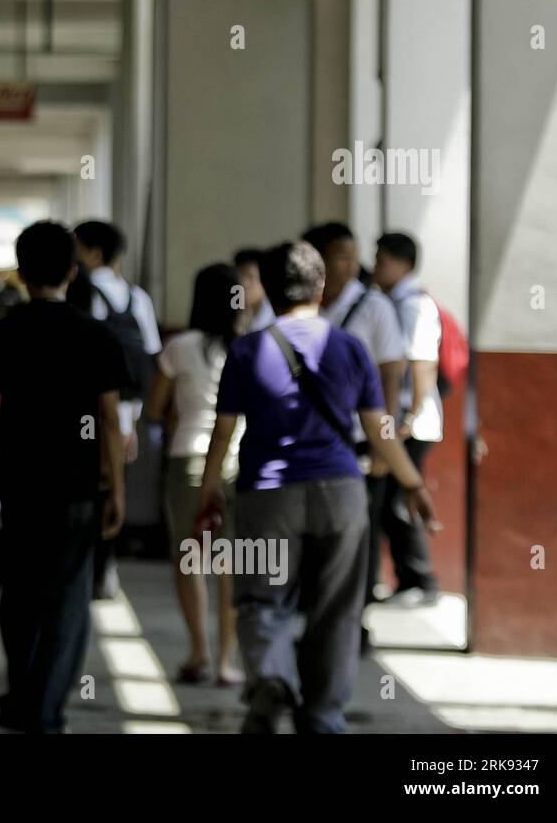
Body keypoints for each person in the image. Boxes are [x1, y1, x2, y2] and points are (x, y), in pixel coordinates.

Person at [197, 241, 439, 733]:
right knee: (336, 609)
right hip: (341, 492)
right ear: (322, 287)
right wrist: (412, 482)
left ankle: (270, 677)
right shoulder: (350, 348)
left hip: (268, 494)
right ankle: (324, 714)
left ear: (265, 287)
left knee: (260, 598)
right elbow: (378, 430)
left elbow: (223, 430)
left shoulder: (246, 349)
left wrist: (208, 490)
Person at [0, 220, 127, 733]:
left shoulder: (3, 333)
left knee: (19, 595)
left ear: (21, 272)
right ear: (73, 271)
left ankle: (22, 692)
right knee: (67, 601)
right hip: (77, 489)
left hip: (17, 486)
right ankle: (46, 708)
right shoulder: (96, 335)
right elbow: (109, 420)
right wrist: (115, 487)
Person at [303, 222, 408, 638]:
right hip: (309, 440)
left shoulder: (373, 307)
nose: (349, 263)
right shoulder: (302, 305)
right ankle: (316, 614)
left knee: (356, 533)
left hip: (360, 441)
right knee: (314, 532)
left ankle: (353, 621)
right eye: (338, 255)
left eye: (352, 254)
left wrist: (385, 445)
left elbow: (391, 376)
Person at [144, 263, 244, 686]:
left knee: (190, 561)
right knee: (231, 565)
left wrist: (176, 420)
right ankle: (226, 662)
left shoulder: (179, 346)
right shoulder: (248, 347)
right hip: (238, 462)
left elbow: (152, 408)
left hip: (188, 459)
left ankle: (198, 653)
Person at [74, 221, 161, 599]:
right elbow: (149, 358)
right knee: (113, 485)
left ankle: (84, 566)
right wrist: (134, 417)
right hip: (124, 411)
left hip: (86, 411)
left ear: (93, 252)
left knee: (83, 486)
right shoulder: (137, 298)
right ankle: (105, 569)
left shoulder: (82, 294)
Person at [371, 232, 444, 606]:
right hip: (403, 418)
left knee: (398, 501)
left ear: (405, 265)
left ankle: (421, 580)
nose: (376, 266)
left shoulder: (412, 305)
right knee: (390, 501)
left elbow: (421, 366)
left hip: (411, 421)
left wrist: (407, 417)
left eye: (383, 260)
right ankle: (409, 578)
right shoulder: (391, 301)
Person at [233, 248, 275, 332]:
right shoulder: (234, 313)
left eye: (250, 276)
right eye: (240, 276)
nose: (244, 283)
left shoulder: (275, 316)